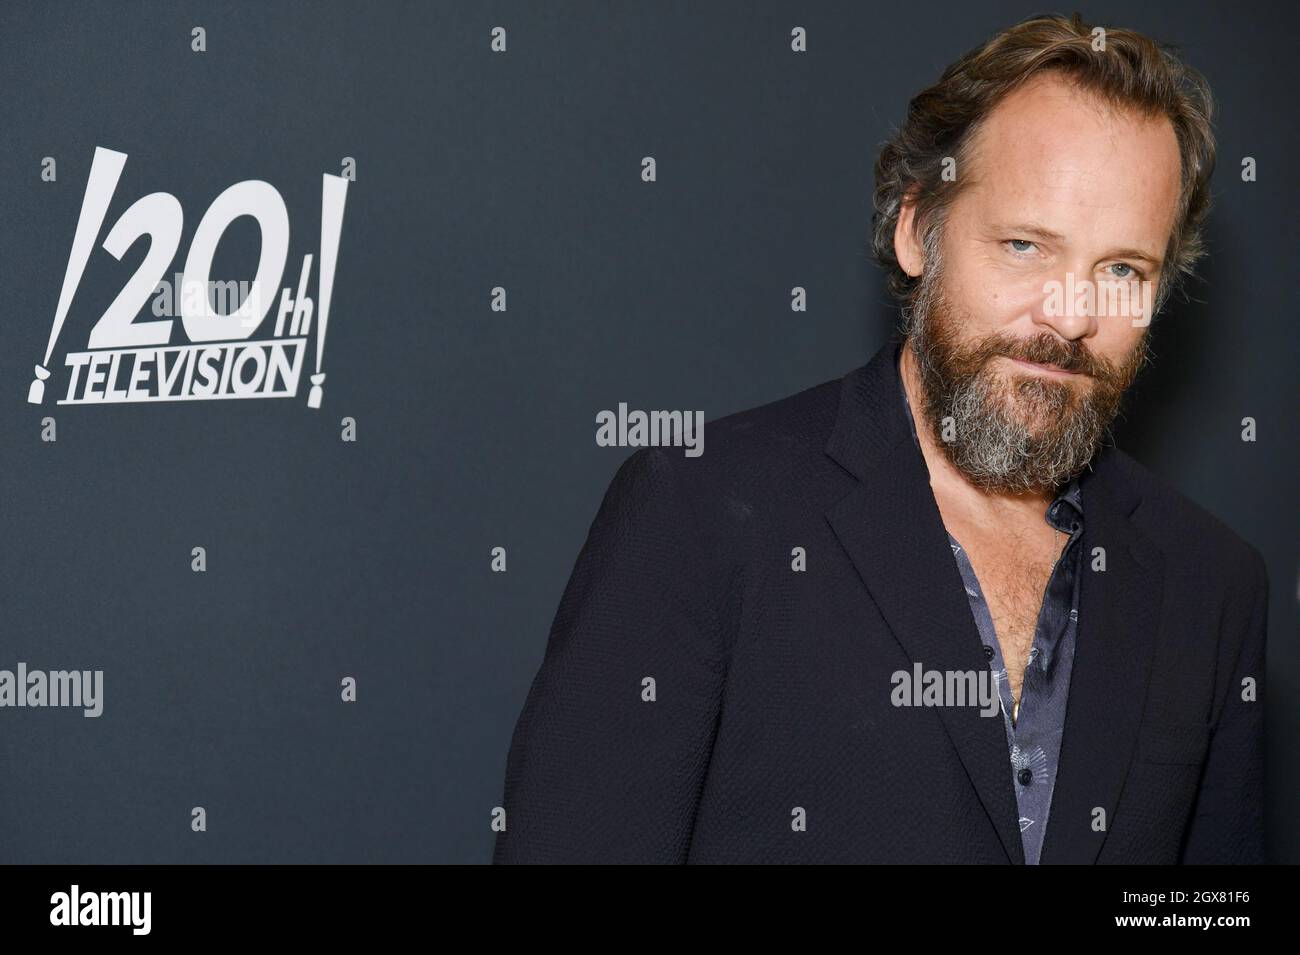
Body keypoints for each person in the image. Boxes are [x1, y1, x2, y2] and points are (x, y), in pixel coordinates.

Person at [493, 13, 1267, 864]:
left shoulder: (1211, 584)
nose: (1072, 316)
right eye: (1023, 245)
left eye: (1122, 270)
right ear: (915, 229)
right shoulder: (701, 512)